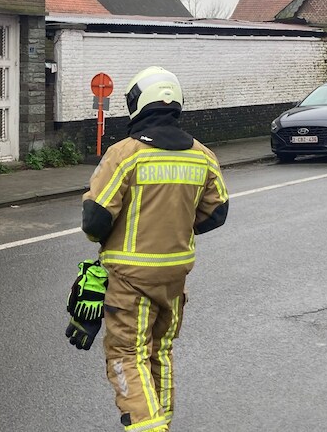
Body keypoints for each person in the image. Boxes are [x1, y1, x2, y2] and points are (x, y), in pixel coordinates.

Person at [76, 66, 229, 432]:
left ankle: (148, 427)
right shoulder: (202, 156)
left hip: (130, 280)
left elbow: (95, 222)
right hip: (175, 278)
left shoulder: (125, 154)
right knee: (159, 352)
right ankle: (162, 422)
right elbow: (217, 212)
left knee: (126, 355)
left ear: (137, 103)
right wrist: (173, 228)